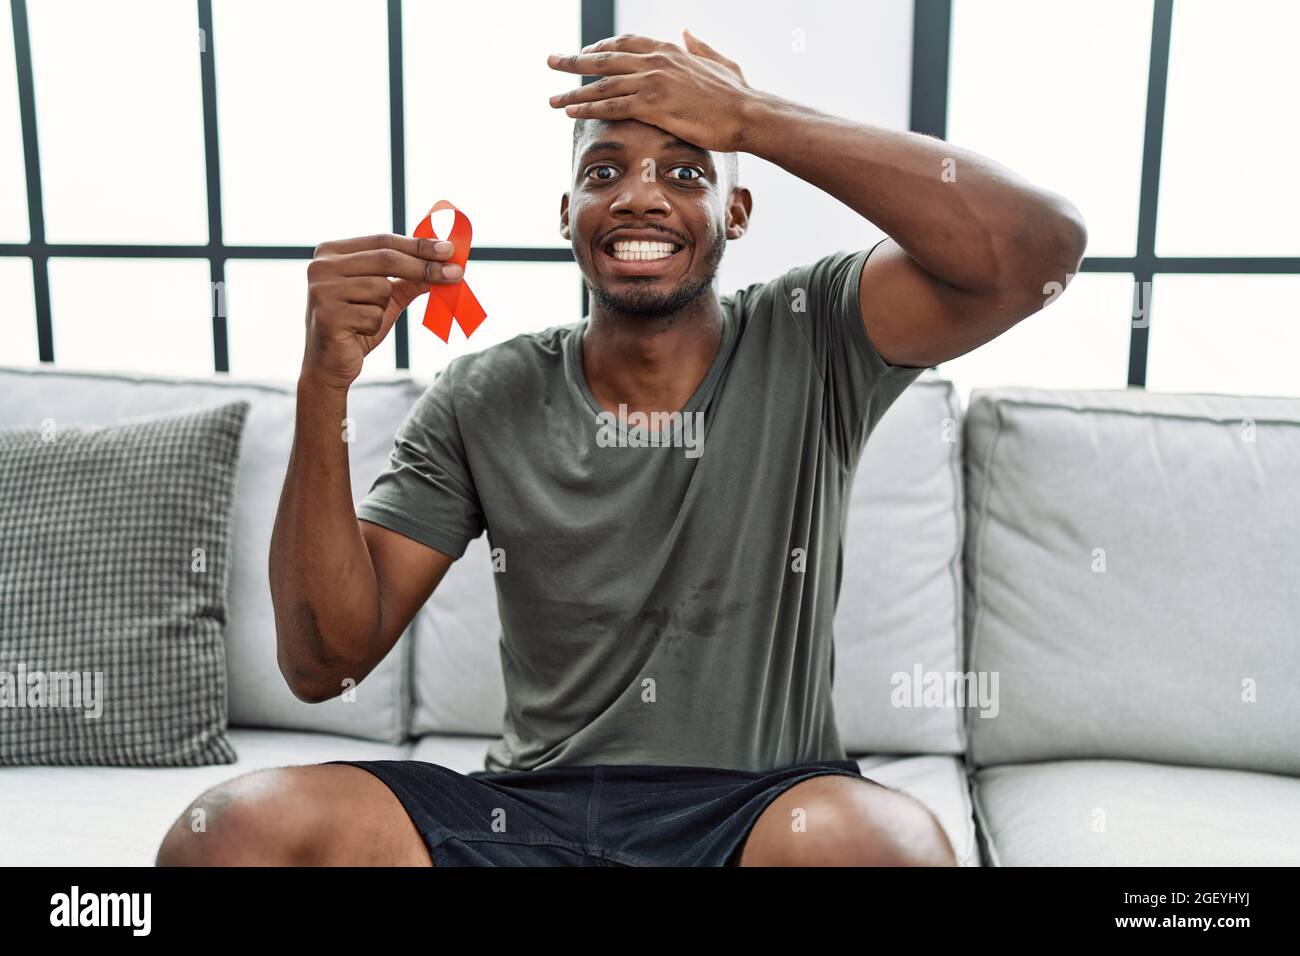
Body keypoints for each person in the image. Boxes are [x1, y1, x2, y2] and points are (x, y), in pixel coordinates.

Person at [158, 29, 1086, 867]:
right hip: (530, 815)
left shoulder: (816, 334)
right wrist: (324, 386)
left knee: (891, 846)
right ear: (568, 214)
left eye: (687, 174)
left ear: (740, 211)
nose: (641, 196)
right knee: (230, 834)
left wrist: (753, 116)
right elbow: (327, 665)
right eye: (605, 173)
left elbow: (1041, 250)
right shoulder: (486, 394)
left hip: (758, 813)